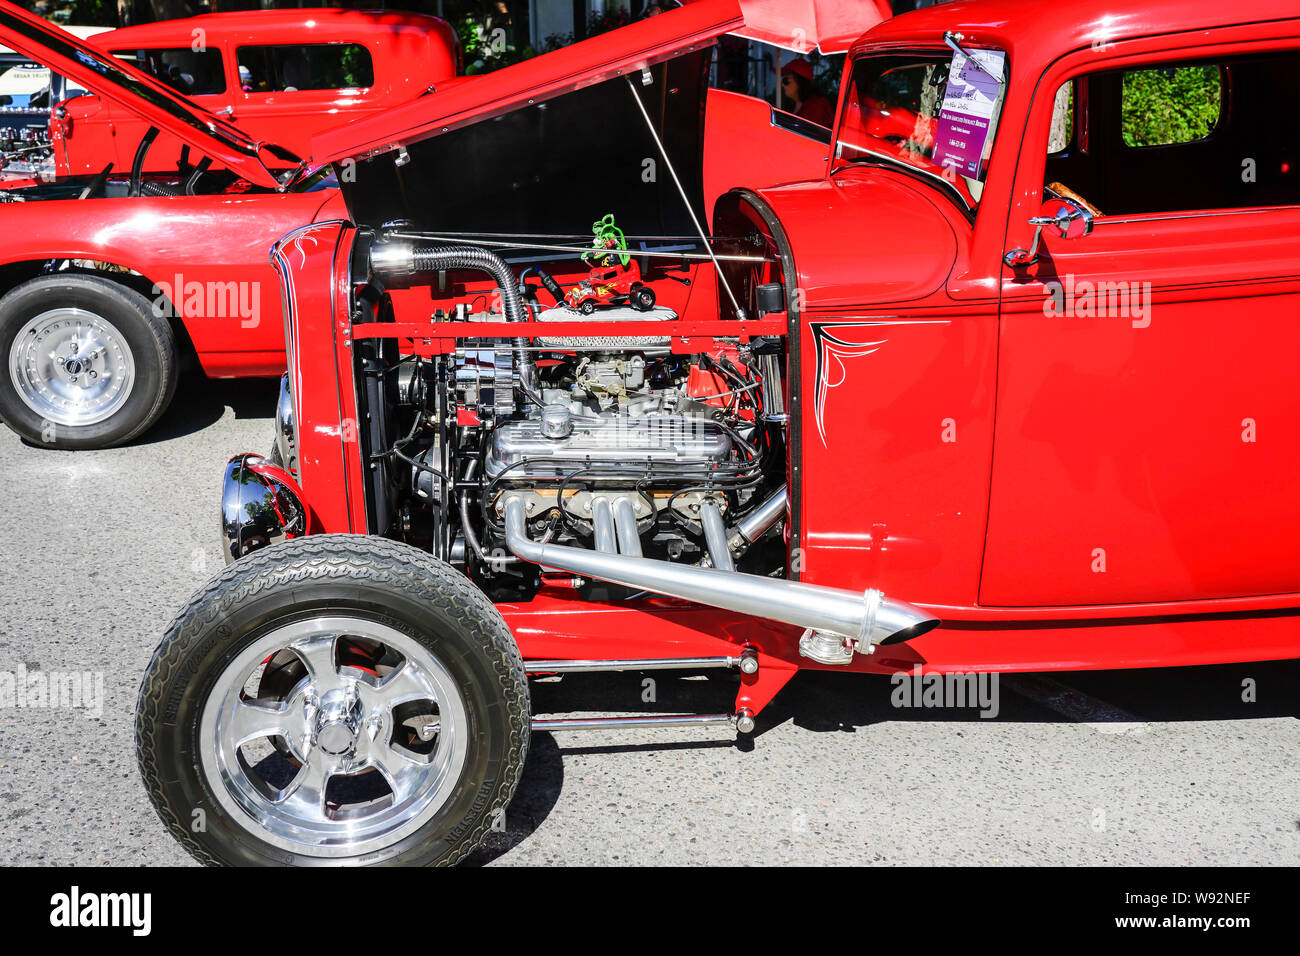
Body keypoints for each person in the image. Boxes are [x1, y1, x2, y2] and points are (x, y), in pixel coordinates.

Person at [780, 57, 835, 128]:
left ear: (799, 82)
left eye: (786, 80)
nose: (782, 85)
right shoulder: (791, 106)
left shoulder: (817, 106)